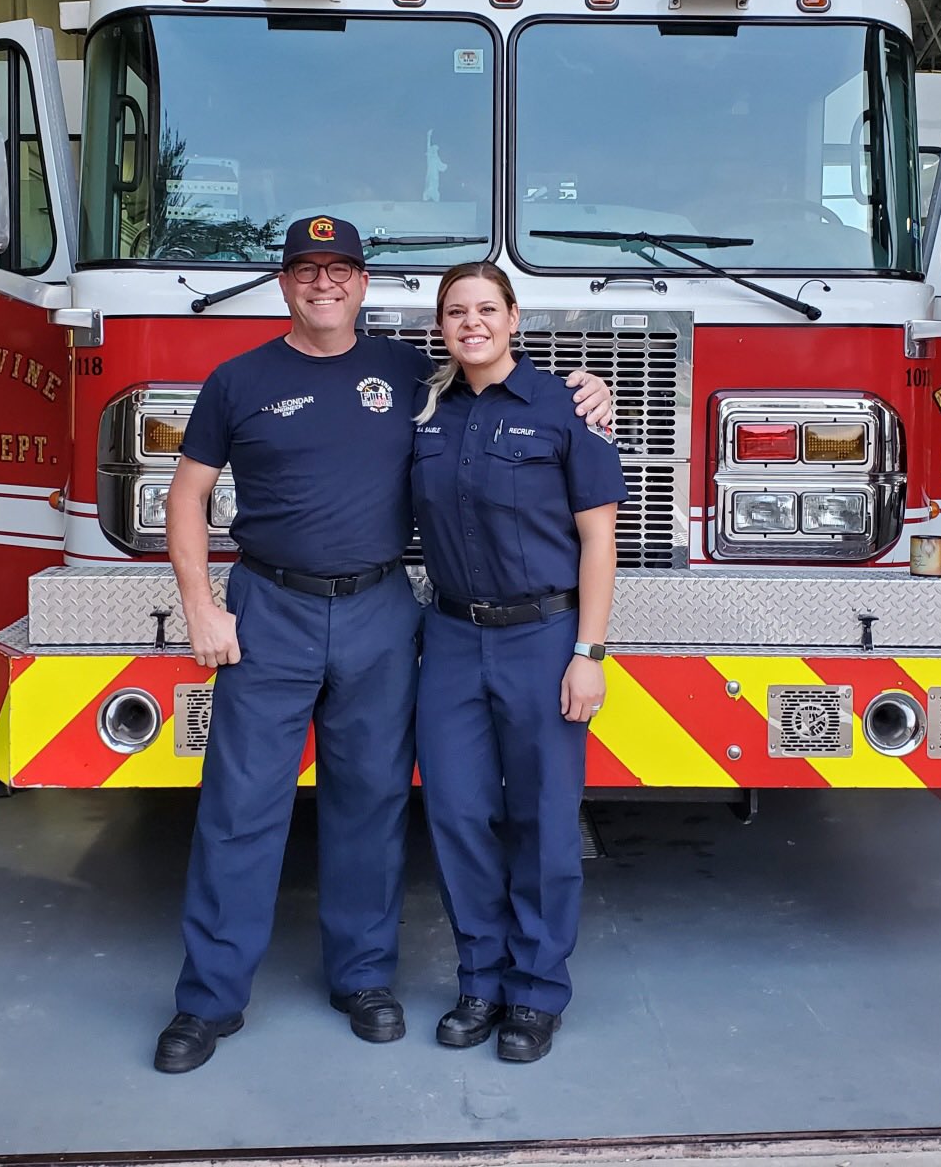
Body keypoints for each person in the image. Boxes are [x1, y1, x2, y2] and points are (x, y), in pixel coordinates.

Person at [154, 217, 610, 1074]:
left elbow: (500, 384)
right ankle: (208, 1002)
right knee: (239, 810)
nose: (323, 283)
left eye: (340, 270)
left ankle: (362, 979)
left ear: (364, 284)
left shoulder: (410, 374)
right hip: (268, 612)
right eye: (306, 270)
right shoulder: (237, 380)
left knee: (369, 807)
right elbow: (188, 499)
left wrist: (585, 390)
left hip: (380, 614)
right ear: (284, 283)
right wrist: (201, 608)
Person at [410, 262, 628, 1064]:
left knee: (542, 822)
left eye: (486, 309)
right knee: (459, 816)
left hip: (543, 638)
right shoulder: (424, 409)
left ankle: (536, 994)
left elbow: (599, 541)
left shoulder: (565, 408)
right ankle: (480, 981)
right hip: (453, 639)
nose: (472, 323)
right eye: (456, 312)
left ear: (514, 317)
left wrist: (589, 654)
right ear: (442, 327)